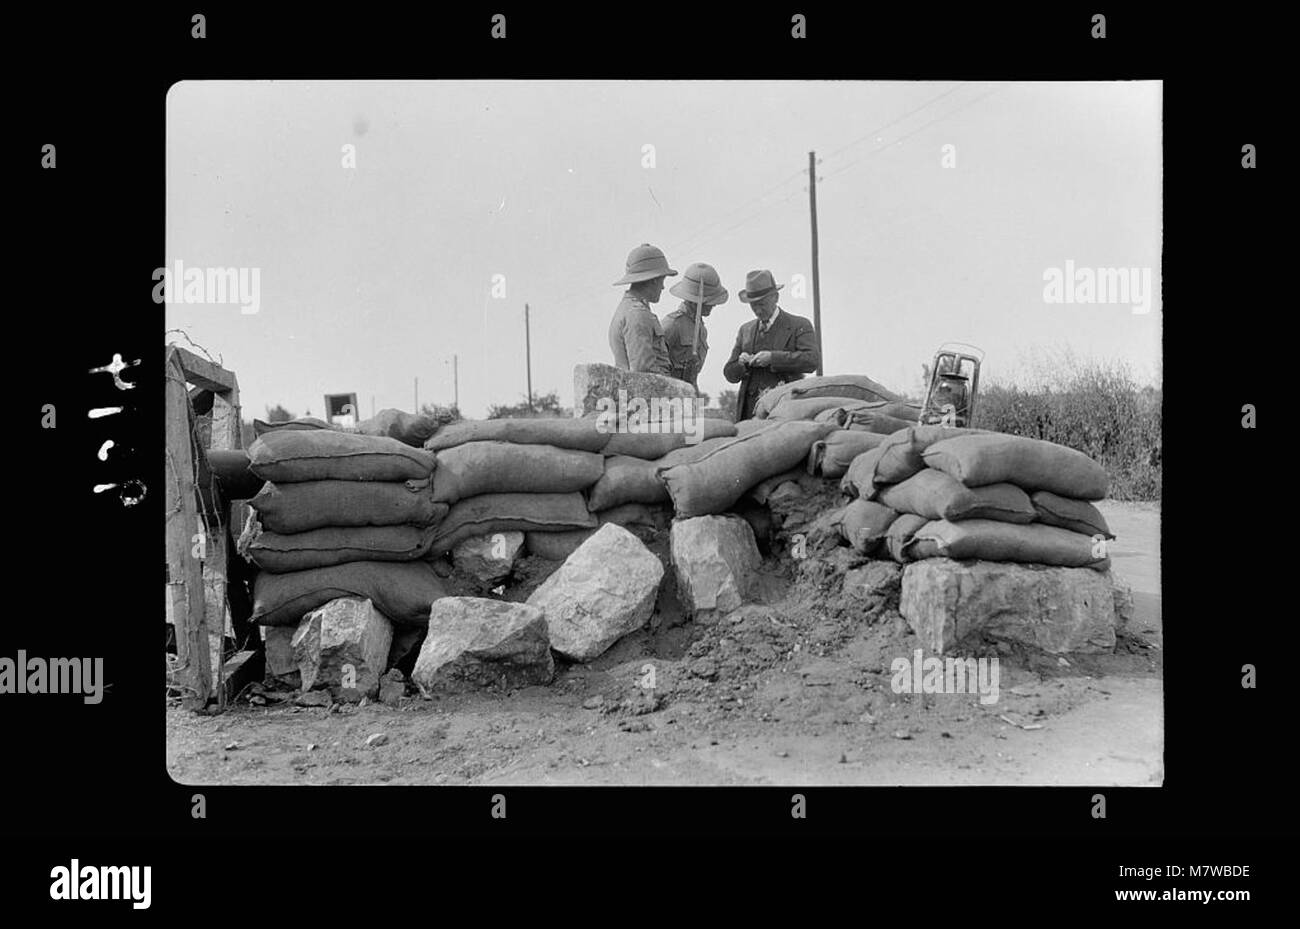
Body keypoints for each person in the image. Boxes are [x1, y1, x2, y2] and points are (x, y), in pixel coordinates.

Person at [722, 269, 820, 421]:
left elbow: (811, 360)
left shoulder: (799, 325)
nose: (758, 310)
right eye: (753, 305)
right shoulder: (745, 330)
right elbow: (730, 374)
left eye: (762, 304)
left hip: (786, 411)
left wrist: (773, 358)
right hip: (750, 415)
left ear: (775, 297)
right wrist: (741, 364)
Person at [608, 243, 676, 374]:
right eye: (662, 281)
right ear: (654, 280)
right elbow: (644, 371)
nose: (663, 287)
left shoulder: (629, 309)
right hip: (647, 387)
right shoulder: (638, 314)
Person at [661, 262, 728, 389]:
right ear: (695, 301)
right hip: (669, 394)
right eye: (710, 301)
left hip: (690, 393)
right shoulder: (672, 325)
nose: (714, 305)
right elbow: (653, 366)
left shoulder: (701, 329)